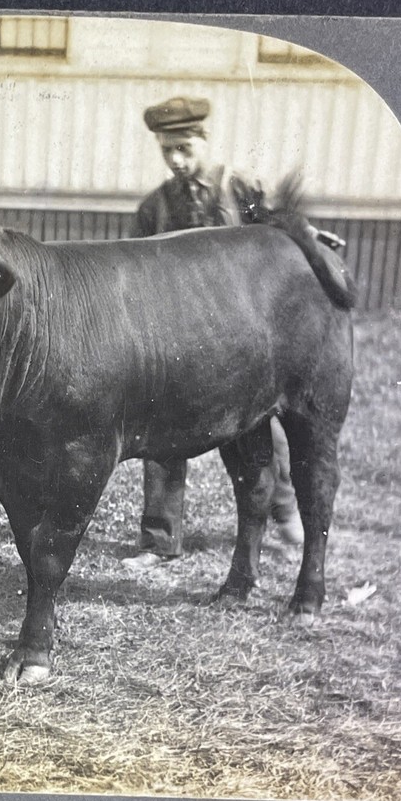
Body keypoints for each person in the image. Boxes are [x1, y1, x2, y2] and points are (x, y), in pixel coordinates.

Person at [124, 96, 304, 570]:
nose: (176, 160)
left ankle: (287, 515)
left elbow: (280, 246)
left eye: (184, 147)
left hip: (243, 340)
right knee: (160, 433)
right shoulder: (154, 208)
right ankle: (159, 541)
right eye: (167, 150)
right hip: (178, 342)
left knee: (264, 428)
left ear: (204, 140)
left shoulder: (240, 188)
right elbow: (134, 275)